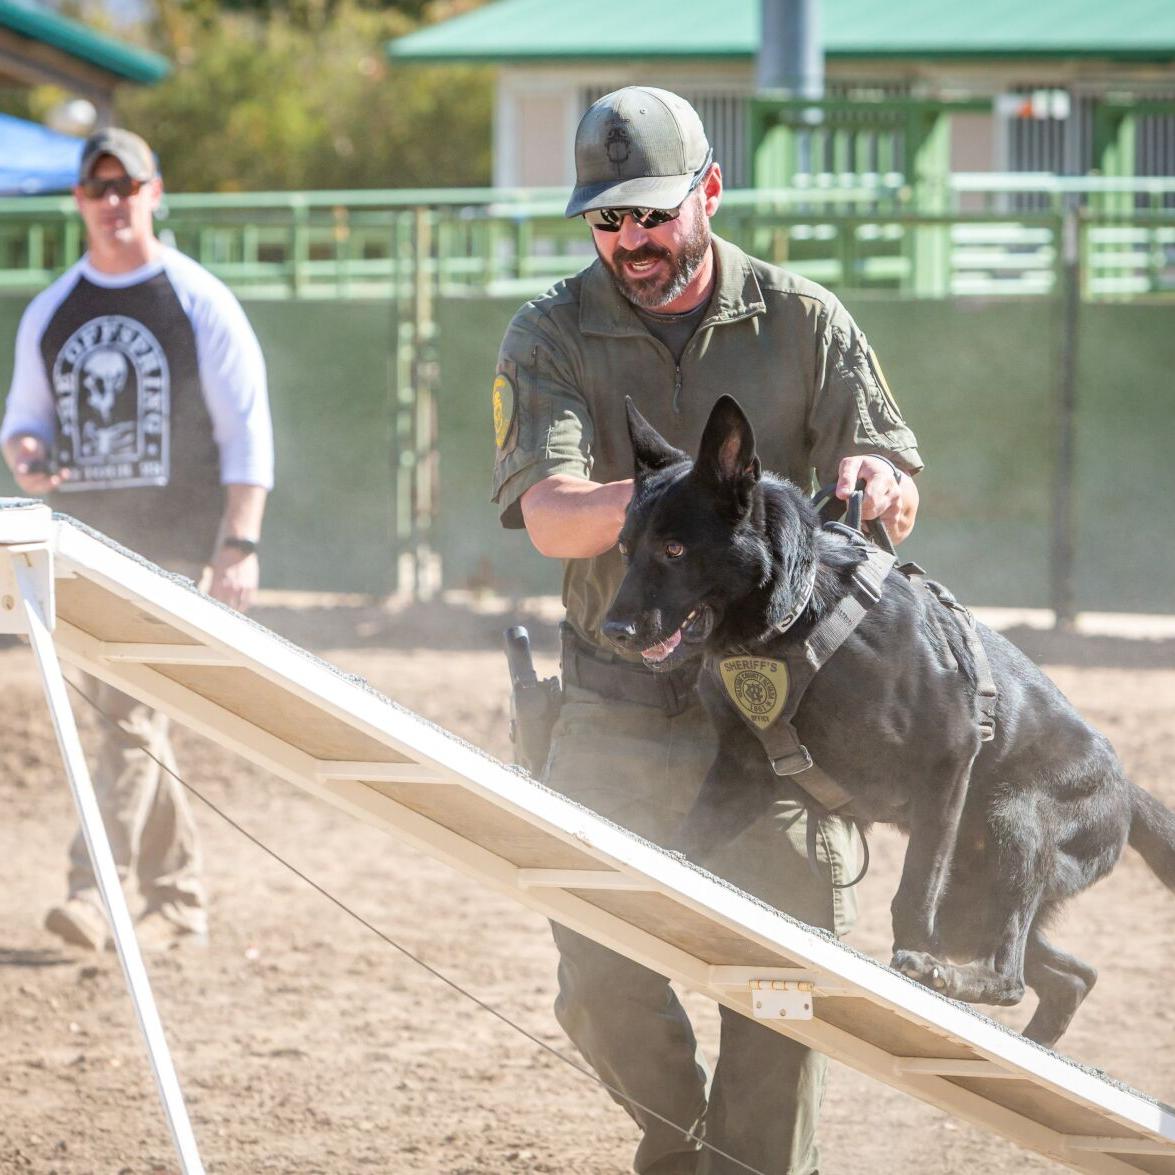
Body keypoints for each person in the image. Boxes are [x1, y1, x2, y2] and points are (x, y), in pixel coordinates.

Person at [490, 88, 923, 1175]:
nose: (630, 241)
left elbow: (892, 478)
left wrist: (879, 481)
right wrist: (669, 514)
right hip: (613, 707)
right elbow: (548, 514)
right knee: (597, 970)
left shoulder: (802, 318)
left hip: (777, 720)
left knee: (781, 985)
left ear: (708, 192)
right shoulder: (549, 329)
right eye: (606, 219)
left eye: (651, 213)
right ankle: (680, 1153)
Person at [2, 127, 274, 951]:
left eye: (128, 186)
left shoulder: (196, 300)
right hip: (81, 548)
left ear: (155, 193)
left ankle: (95, 889)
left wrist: (238, 544)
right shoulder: (54, 310)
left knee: (126, 713)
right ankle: (179, 897)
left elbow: (247, 430)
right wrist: (28, 456)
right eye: (99, 188)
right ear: (80, 200)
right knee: (132, 718)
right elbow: (24, 423)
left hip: (173, 551)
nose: (114, 202)